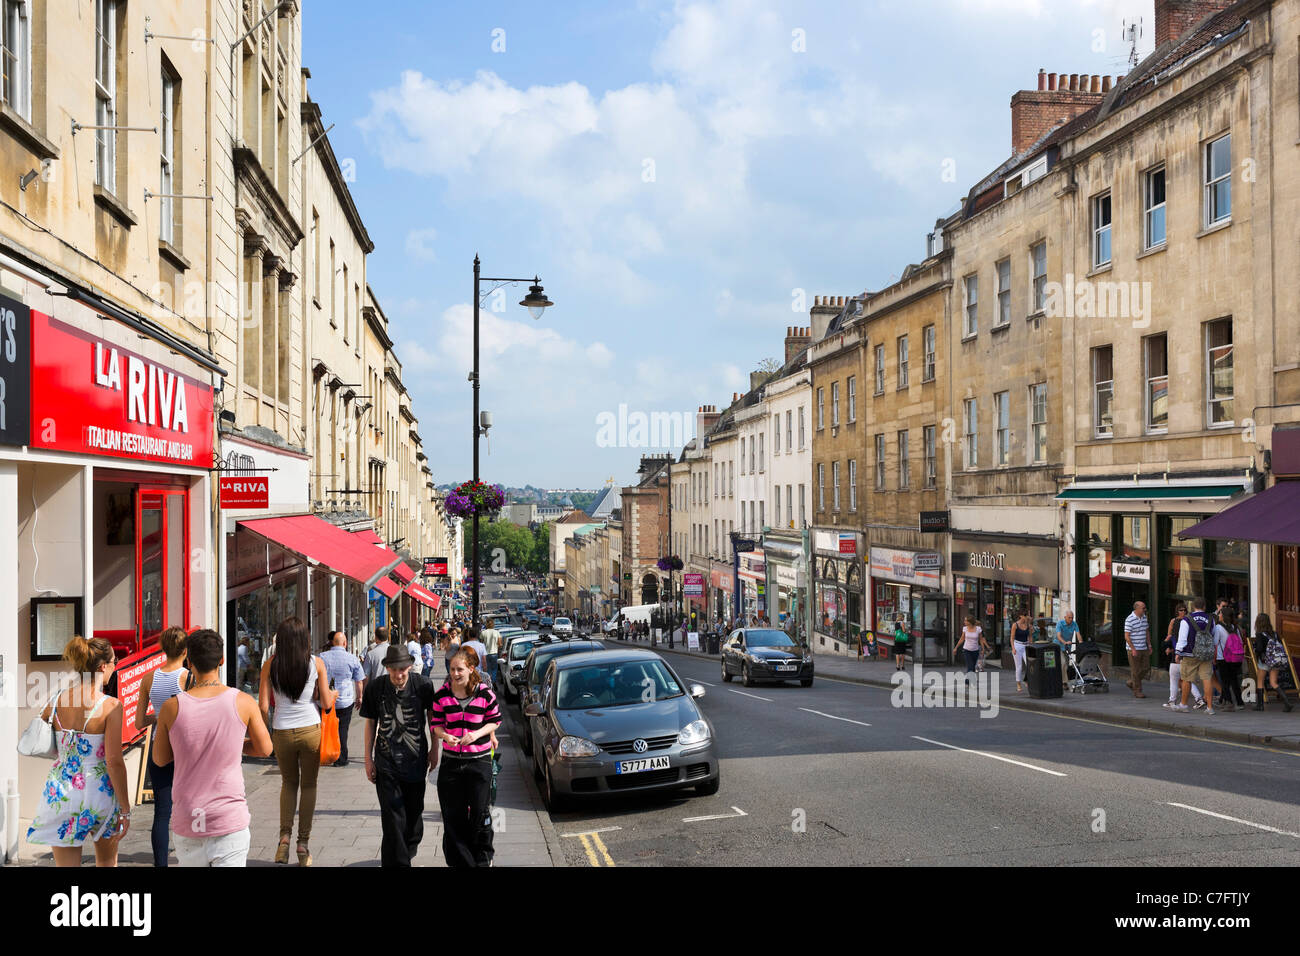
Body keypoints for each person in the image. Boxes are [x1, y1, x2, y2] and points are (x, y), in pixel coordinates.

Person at [152, 629, 273, 867]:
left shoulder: (171, 707)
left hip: (188, 818)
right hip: (228, 818)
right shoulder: (243, 701)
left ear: (189, 661)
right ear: (222, 660)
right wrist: (235, 744)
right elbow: (265, 748)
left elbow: (160, 759)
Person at [26, 636, 130, 867]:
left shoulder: (57, 700)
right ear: (103, 666)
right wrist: (125, 808)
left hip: (61, 789)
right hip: (99, 791)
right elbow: (114, 761)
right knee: (106, 864)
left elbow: (44, 726)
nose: (115, 666)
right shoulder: (111, 706)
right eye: (115, 661)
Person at [259, 617, 336, 866]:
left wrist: (263, 731)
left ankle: (283, 839)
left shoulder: (270, 665)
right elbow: (325, 703)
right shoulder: (316, 663)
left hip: (281, 730)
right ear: (305, 638)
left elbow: (262, 705)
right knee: (309, 785)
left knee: (288, 783)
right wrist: (333, 694)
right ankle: (303, 845)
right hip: (310, 729)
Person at [361, 642, 437, 867]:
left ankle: (405, 850)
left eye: (402, 669)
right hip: (386, 763)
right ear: (387, 668)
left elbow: (433, 719)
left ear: (410, 667)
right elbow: (370, 724)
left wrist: (435, 749)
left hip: (416, 761)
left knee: (413, 820)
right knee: (393, 818)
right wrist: (368, 759)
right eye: (393, 669)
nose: (398, 674)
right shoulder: (375, 688)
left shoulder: (423, 685)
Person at [431, 648, 502, 868]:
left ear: (471, 669)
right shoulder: (442, 695)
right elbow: (436, 725)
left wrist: (477, 734)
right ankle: (461, 862)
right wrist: (446, 736)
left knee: (480, 816)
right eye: (452, 669)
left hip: (479, 762)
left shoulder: (484, 694)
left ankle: (482, 856)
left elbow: (495, 720)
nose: (455, 673)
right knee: (453, 818)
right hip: (451, 763)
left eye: (460, 669)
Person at [137, 625, 188, 866]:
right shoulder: (188, 678)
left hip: (159, 743)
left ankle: (161, 863)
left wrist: (158, 717)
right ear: (185, 651)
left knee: (162, 811)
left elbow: (138, 721)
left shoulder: (149, 678)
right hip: (184, 745)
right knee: (189, 806)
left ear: (163, 650)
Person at [321, 631, 365, 766]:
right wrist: (360, 697)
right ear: (345, 643)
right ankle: (341, 757)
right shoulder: (352, 659)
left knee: (326, 726)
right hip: (345, 700)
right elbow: (359, 681)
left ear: (332, 643)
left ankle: (326, 753)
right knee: (342, 728)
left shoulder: (321, 657)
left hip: (326, 699)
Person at [1173, 597, 1216, 715]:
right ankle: (1210, 708)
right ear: (1204, 606)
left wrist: (1178, 652)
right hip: (1206, 654)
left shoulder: (1186, 620)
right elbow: (1214, 636)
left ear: (1193, 607)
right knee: (1207, 679)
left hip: (1189, 654)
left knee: (1187, 679)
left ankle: (1183, 705)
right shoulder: (1211, 619)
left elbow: (1182, 639)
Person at [1162, 604, 1203, 709]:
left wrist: (1170, 646)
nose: (1183, 612)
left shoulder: (1187, 622)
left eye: (1185, 610)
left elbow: (1170, 638)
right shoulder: (1177, 621)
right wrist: (1169, 646)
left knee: (1179, 679)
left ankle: (1173, 700)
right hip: (1180, 651)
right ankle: (1199, 699)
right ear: (1177, 611)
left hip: (1182, 652)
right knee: (1185, 679)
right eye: (1181, 610)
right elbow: (1169, 635)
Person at [1253, 613, 1294, 711]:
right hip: (1276, 660)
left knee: (1260, 681)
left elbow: (1259, 648)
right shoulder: (1274, 633)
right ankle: (1287, 702)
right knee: (1273, 682)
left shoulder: (1259, 634)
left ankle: (1260, 705)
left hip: (1264, 661)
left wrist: (1255, 652)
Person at [1215, 608, 1246, 712]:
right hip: (1235, 658)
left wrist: (1214, 658)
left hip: (1222, 657)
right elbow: (1241, 643)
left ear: (1223, 616)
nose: (1219, 615)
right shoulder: (1235, 627)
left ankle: (1229, 703)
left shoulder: (1218, 627)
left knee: (1224, 682)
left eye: (1220, 613)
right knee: (1234, 680)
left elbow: (1215, 643)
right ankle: (1240, 702)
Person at [1123, 601, 1151, 698]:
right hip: (1133, 649)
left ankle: (1131, 682)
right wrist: (1133, 649)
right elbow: (1127, 636)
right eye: (1143, 608)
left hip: (1143, 647)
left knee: (1146, 668)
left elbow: (1147, 632)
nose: (1145, 609)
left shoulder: (1144, 618)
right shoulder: (1129, 620)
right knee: (1135, 670)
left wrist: (1149, 645)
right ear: (1137, 609)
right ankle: (1137, 691)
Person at [1010, 610, 1033, 693]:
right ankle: (1018, 684)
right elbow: (1012, 638)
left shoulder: (1028, 625)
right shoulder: (1015, 625)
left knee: (1029, 664)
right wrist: (1013, 648)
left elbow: (1030, 637)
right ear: (1020, 616)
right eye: (1025, 615)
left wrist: (1031, 645)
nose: (1026, 617)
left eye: (1026, 615)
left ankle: (1026, 680)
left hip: (1026, 645)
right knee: (1019, 666)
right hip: (1017, 645)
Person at [480, 618, 503, 682]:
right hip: (494, 653)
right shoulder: (497, 632)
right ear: (493, 624)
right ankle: (493, 681)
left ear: (486, 624)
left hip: (486, 653)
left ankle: (489, 681)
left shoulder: (483, 633)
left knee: (488, 669)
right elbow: (500, 644)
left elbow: (481, 644)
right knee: (494, 669)